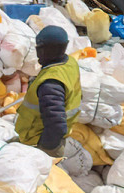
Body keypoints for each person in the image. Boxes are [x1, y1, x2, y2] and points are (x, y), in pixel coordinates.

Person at [15, 26, 81, 157]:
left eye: (39, 49)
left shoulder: (50, 84)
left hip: (39, 141)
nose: (37, 53)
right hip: (43, 138)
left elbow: (56, 125)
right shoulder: (69, 63)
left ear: (48, 50)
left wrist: (44, 149)